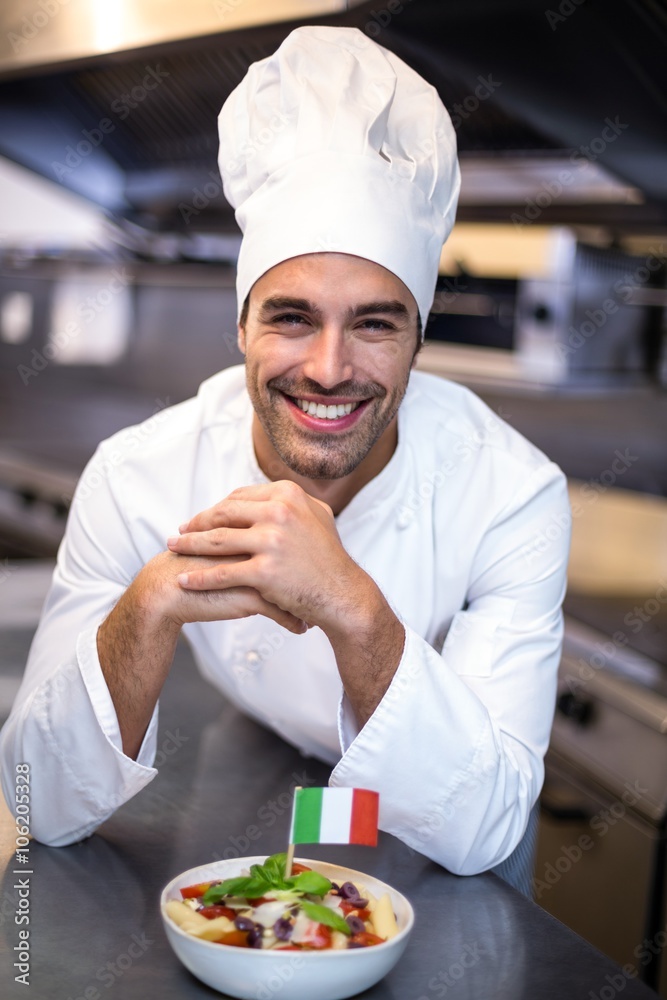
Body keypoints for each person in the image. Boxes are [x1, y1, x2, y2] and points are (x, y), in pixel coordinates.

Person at [0, 26, 569, 888]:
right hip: (251, 771)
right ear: (240, 326)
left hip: (434, 851)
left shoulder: (510, 494)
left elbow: (486, 824)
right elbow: (38, 799)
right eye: (292, 317)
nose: (330, 368)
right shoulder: (140, 474)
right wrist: (154, 600)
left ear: (419, 338)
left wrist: (351, 607)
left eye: (374, 322)